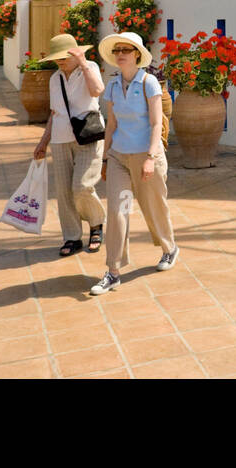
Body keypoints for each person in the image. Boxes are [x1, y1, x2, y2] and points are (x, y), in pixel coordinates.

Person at [90, 31, 177, 295]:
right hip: (119, 157)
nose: (120, 55)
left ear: (137, 54)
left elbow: (156, 123)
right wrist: (105, 158)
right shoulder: (114, 86)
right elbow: (111, 125)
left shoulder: (149, 82)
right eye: (117, 51)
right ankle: (113, 271)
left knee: (153, 207)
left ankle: (169, 248)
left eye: (125, 50)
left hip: (147, 156)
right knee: (117, 212)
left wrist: (151, 158)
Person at [33, 33, 106, 256]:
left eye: (64, 56)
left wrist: (83, 63)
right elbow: (55, 113)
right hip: (60, 139)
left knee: (82, 187)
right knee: (64, 192)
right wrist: (43, 142)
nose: (60, 61)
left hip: (89, 136)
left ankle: (96, 224)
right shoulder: (55, 79)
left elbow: (96, 91)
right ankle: (72, 237)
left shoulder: (90, 67)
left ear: (76, 53)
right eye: (57, 57)